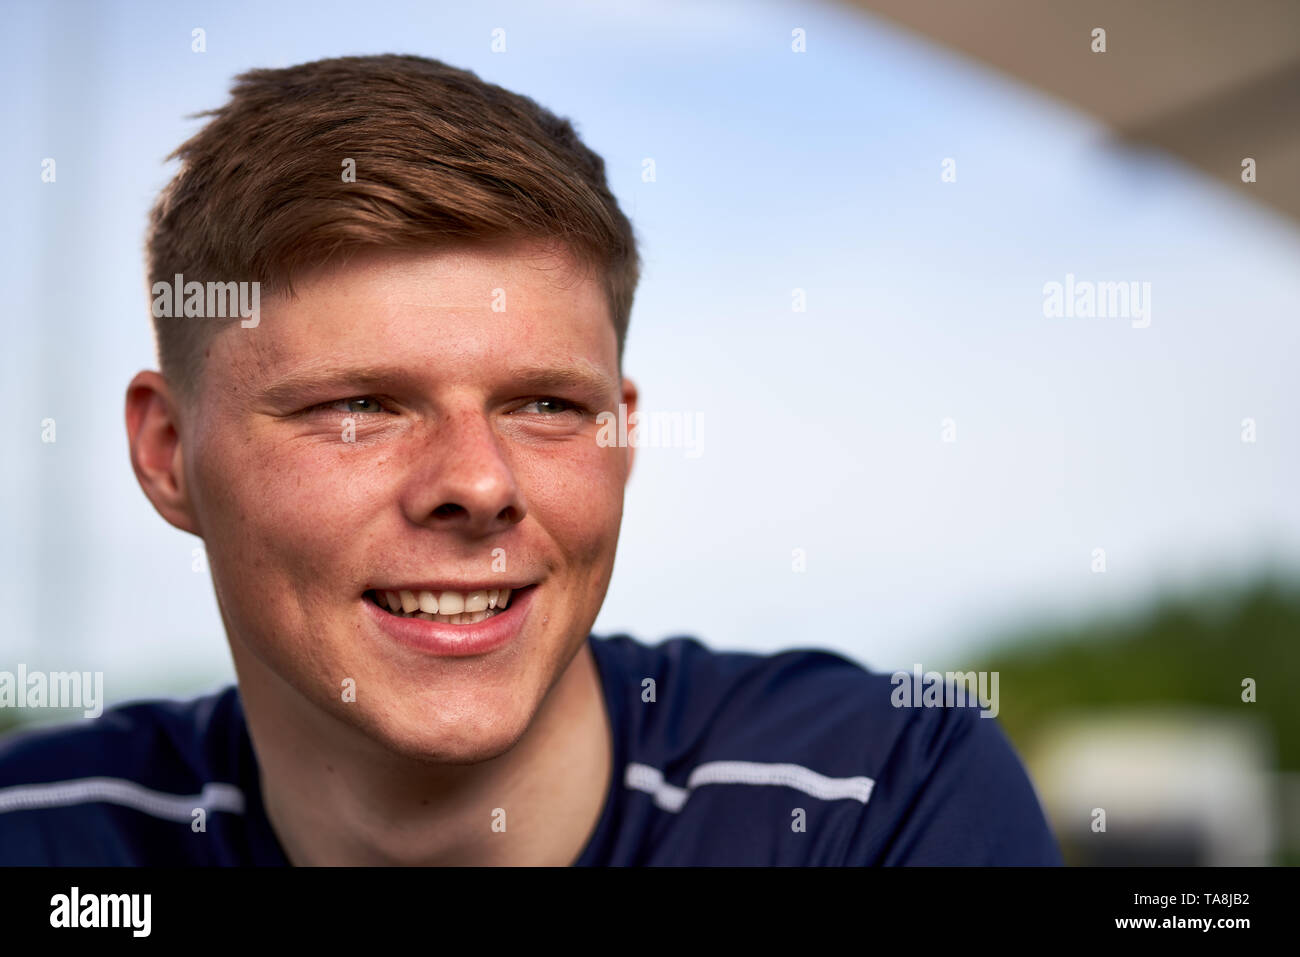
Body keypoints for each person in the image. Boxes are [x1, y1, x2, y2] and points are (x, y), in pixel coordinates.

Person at [0, 54, 1060, 865]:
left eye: (546, 404)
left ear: (622, 431)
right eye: (361, 406)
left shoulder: (867, 800)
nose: (477, 483)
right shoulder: (40, 838)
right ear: (170, 454)